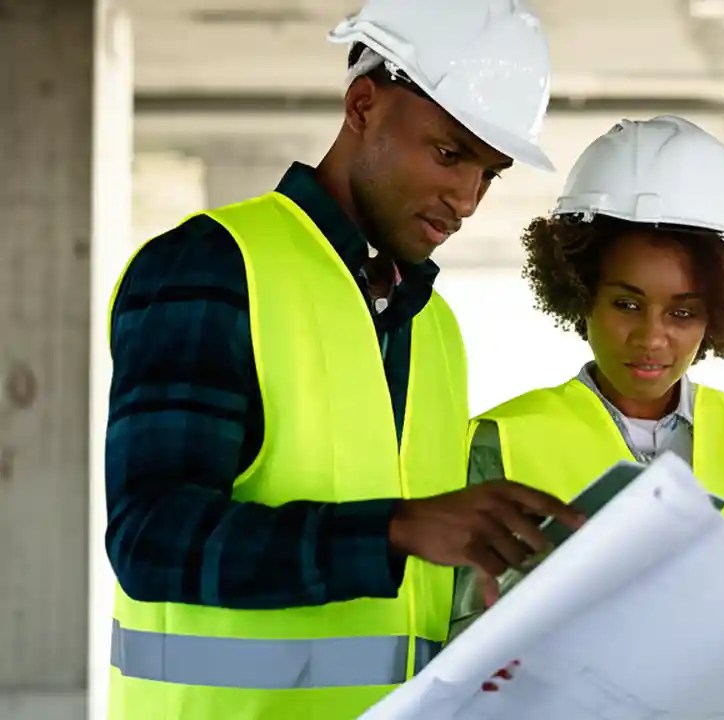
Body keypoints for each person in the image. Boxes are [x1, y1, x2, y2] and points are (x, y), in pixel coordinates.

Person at [103, 1, 582, 717]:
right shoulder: (212, 267)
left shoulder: (436, 329)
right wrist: (395, 529)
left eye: (490, 174)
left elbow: (410, 613)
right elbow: (152, 540)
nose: (467, 198)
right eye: (450, 153)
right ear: (363, 105)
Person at [456, 115, 724, 632]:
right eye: (627, 304)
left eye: (682, 313)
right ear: (578, 293)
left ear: (718, 315)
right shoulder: (502, 442)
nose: (651, 338)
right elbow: (467, 643)